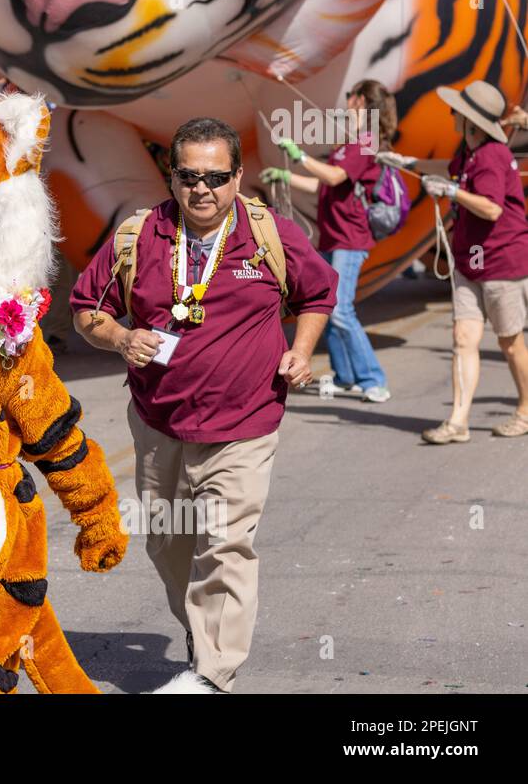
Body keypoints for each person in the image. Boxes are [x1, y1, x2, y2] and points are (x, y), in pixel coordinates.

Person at [70, 117, 336, 693]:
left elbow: (317, 293)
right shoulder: (137, 236)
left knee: (225, 544)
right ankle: (201, 631)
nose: (202, 190)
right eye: (189, 176)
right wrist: (119, 338)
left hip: (245, 424)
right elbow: (86, 308)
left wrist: (303, 349)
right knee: (168, 545)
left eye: (216, 177)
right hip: (158, 422)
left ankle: (212, 676)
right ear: (171, 178)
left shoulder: (270, 234)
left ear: (238, 177)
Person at [382, 81, 528, 442]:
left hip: (501, 262)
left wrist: (451, 192)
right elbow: (448, 169)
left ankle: (526, 409)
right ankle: (458, 422)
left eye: (457, 112)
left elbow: (491, 207)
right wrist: (406, 163)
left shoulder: (491, 155)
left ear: (471, 122)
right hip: (470, 262)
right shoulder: (469, 151)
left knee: (510, 342)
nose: (451, 116)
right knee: (464, 337)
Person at [260, 79, 392, 402]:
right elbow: (325, 188)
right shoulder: (349, 143)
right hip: (333, 237)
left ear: (360, 101)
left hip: (350, 239)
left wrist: (299, 156)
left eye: (350, 97)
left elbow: (333, 177)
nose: (346, 102)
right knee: (328, 304)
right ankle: (346, 376)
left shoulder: (367, 141)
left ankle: (374, 379)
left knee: (342, 310)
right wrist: (286, 175)